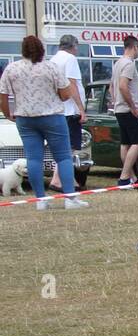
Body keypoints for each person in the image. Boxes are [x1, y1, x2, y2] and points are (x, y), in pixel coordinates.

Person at [0, 35, 87, 210]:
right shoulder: (51, 67)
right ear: (42, 50)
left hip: (25, 119)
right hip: (52, 117)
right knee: (62, 157)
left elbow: (3, 95)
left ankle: (40, 199)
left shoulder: (12, 69)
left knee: (33, 159)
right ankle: (69, 198)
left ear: (23, 50)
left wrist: (8, 114)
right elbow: (65, 94)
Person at [48, 34, 86, 191]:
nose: (77, 50)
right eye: (76, 47)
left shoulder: (53, 60)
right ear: (73, 46)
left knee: (63, 147)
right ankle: (57, 179)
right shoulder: (70, 59)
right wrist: (81, 109)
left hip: (57, 109)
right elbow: (72, 84)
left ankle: (69, 180)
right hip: (70, 110)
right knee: (69, 148)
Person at [111, 34, 138, 186]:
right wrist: (133, 106)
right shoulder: (129, 64)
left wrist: (115, 102)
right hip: (128, 109)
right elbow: (122, 86)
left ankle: (131, 177)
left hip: (119, 109)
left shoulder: (117, 63)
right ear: (134, 47)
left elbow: (111, 86)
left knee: (125, 143)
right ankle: (125, 176)